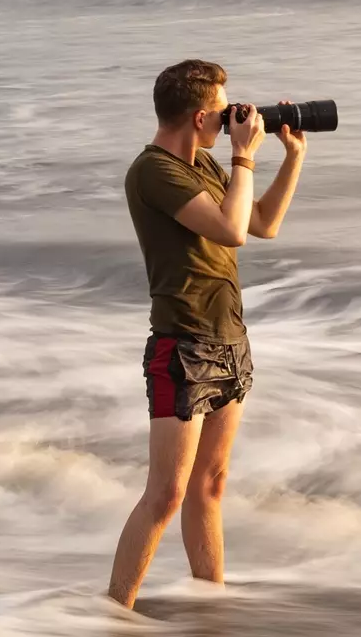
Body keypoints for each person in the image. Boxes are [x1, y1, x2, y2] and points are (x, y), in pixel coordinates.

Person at [107, 59, 306, 608]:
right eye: (222, 110)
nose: (232, 118)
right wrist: (244, 155)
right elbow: (229, 231)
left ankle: (209, 610)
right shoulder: (154, 172)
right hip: (182, 346)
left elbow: (262, 223)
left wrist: (292, 160)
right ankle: (114, 614)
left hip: (229, 340)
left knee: (209, 488)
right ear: (199, 117)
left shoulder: (207, 167)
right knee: (166, 494)